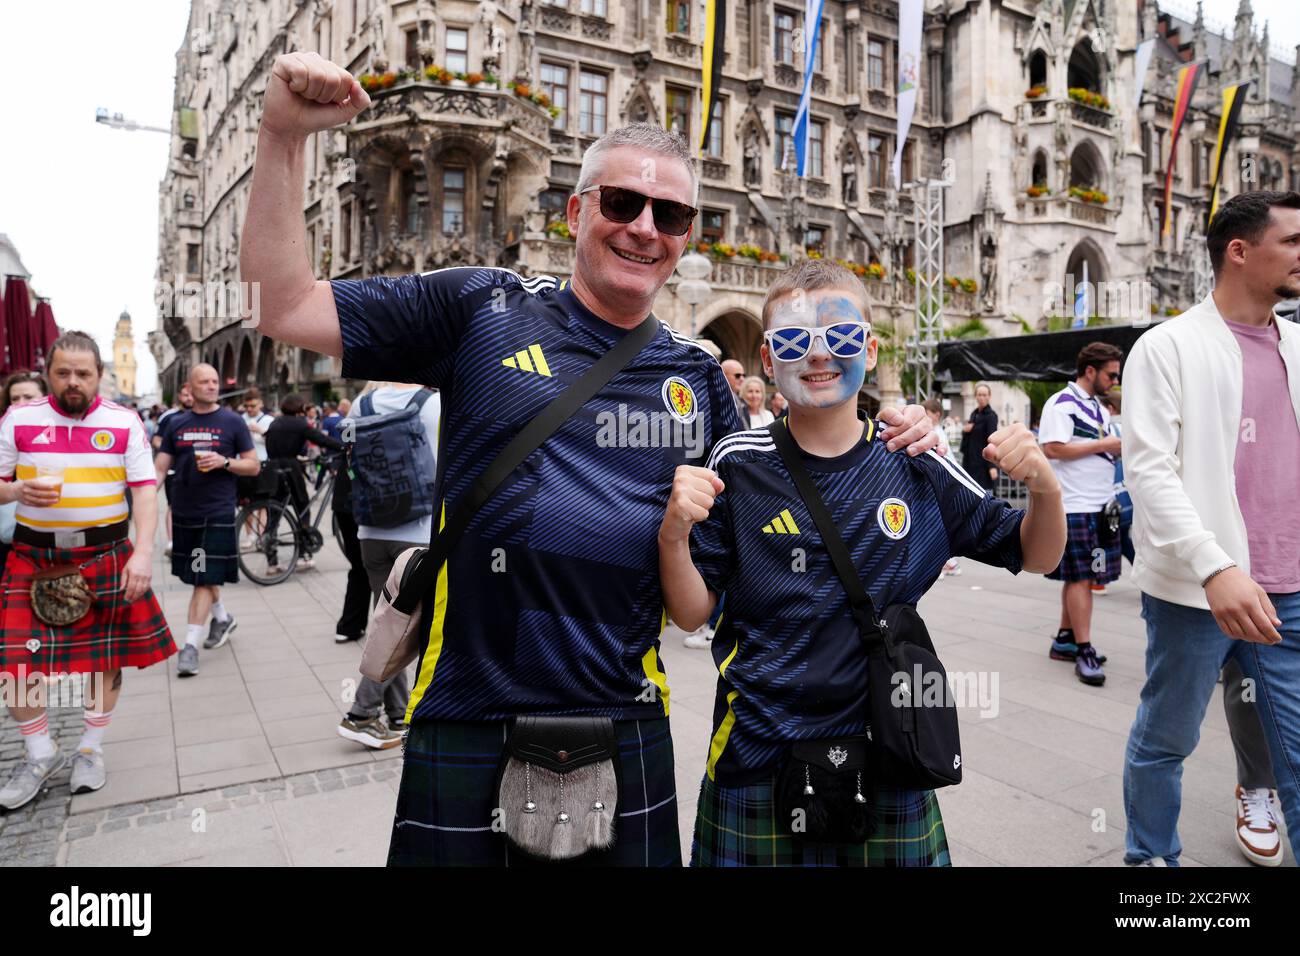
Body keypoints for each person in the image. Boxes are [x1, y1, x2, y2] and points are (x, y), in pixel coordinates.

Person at [239, 50, 939, 866]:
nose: (644, 226)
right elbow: (279, 305)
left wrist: (901, 433)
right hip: (468, 709)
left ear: (685, 239)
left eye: (670, 215)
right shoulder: (480, 306)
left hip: (624, 721)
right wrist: (282, 135)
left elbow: (804, 479)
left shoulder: (699, 380)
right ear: (574, 211)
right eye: (622, 201)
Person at [659, 259, 1066, 866]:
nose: (818, 357)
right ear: (769, 360)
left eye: (841, 339)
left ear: (870, 351)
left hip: (889, 753)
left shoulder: (916, 460)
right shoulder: (736, 463)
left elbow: (1035, 554)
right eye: (794, 342)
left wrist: (1045, 489)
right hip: (758, 752)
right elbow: (692, 615)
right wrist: (671, 536)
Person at [1122, 190, 1300, 867]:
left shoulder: (1298, 344)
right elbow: (1151, 473)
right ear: (1239, 250)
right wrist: (1214, 564)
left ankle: (1255, 795)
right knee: (1166, 741)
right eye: (1292, 241)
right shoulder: (1168, 347)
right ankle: (1152, 864)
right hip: (1196, 594)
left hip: (1290, 590)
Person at [0, 332, 172, 809]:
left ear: (99, 374)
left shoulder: (123, 421)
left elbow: (142, 491)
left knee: (104, 660)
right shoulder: (20, 419)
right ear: (48, 374)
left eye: (83, 373)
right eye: (63, 372)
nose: (73, 381)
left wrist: (142, 554)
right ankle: (39, 754)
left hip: (104, 555)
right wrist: (14, 493)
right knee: (16, 663)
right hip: (34, 557)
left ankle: (90, 750)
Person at [335, 381, 441, 748]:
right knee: (403, 632)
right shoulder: (433, 403)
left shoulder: (360, 406)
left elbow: (348, 459)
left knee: (393, 622)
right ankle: (361, 713)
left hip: (371, 534)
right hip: (421, 535)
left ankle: (397, 716)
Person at [153, 365, 259, 677]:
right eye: (205, 381)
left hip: (217, 510)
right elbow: (160, 468)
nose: (212, 386)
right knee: (202, 574)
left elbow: (253, 465)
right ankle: (222, 617)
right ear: (190, 386)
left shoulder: (232, 421)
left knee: (203, 577)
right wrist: (143, 498)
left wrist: (224, 461)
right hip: (185, 510)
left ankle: (189, 646)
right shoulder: (176, 423)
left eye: (215, 381)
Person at [1037, 342, 1124, 687]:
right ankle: (1083, 649)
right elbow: (1052, 448)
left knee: (1083, 577)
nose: (1115, 381)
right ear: (1090, 371)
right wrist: (1104, 446)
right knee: (1082, 579)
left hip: (1099, 506)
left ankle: (1065, 639)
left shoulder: (1098, 408)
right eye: (1111, 374)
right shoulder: (1061, 403)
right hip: (1075, 506)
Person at [264, 392, 344, 572]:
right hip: (291, 468)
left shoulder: (275, 422)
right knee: (303, 509)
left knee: (275, 513)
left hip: (273, 468)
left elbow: (270, 445)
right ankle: (302, 554)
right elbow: (321, 439)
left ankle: (272, 562)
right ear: (299, 408)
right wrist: (344, 446)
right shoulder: (300, 424)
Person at [0, 372, 48, 576]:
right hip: (9, 535)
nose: (20, 403)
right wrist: (13, 490)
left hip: (47, 537)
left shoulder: (55, 432)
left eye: (28, 397)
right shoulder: (3, 432)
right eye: (15, 398)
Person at [154, 381, 194, 557]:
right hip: (174, 471)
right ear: (180, 396)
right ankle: (172, 542)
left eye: (191, 394)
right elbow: (156, 440)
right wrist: (171, 449)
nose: (189, 398)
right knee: (173, 506)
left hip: (199, 472)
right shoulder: (169, 417)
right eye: (185, 395)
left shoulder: (205, 415)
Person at [924, 399, 961, 577]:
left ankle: (945, 563)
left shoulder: (936, 434)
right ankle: (948, 563)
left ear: (936, 415)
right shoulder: (936, 432)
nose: (924, 416)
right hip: (943, 484)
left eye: (927, 413)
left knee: (937, 525)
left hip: (943, 485)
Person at [959, 383, 998, 492]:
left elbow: (992, 440)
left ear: (989, 396)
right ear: (975, 396)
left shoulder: (991, 416)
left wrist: (992, 466)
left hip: (983, 464)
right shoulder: (974, 414)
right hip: (970, 462)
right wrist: (965, 431)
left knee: (985, 496)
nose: (982, 398)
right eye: (979, 395)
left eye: (985, 395)